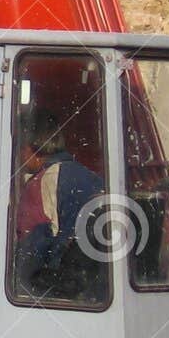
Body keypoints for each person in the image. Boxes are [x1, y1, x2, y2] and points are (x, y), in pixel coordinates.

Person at [12, 109, 107, 303]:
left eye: (18, 148)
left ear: (29, 148)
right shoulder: (91, 177)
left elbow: (28, 251)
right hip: (96, 291)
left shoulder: (42, 183)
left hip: (62, 290)